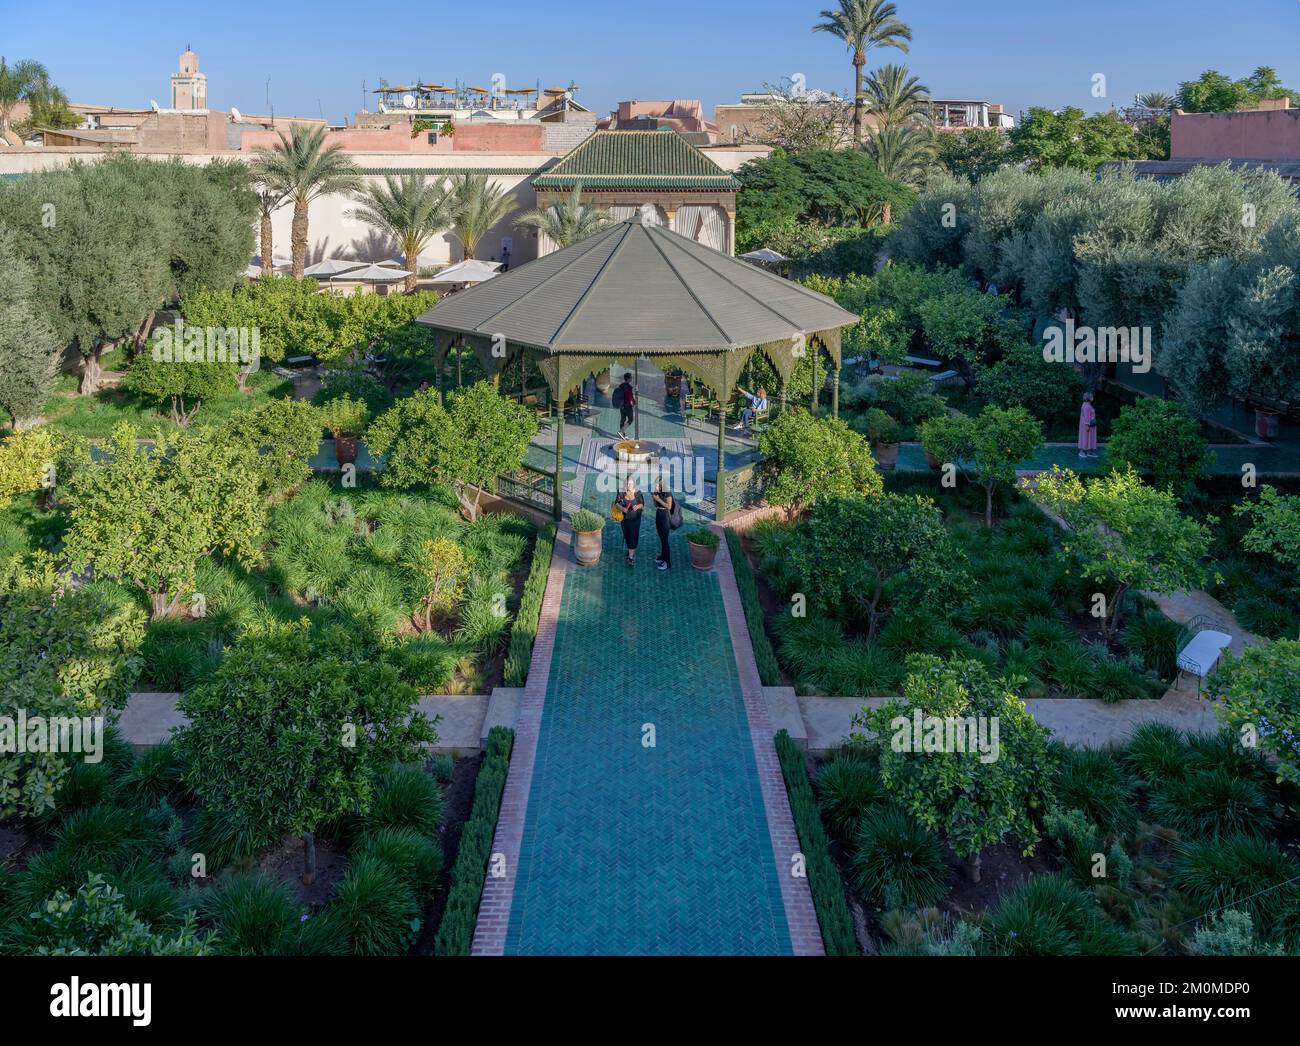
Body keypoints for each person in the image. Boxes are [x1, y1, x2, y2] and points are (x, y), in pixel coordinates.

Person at [615, 476, 644, 567]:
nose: (629, 485)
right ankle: (630, 551)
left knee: (633, 537)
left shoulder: (638, 493)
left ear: (633, 484)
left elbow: (642, 504)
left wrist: (638, 506)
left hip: (635, 520)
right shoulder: (621, 493)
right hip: (624, 520)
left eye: (630, 483)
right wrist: (622, 508)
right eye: (627, 483)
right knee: (627, 536)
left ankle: (631, 558)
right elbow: (616, 502)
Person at [651, 478, 675, 571]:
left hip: (665, 516)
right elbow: (656, 505)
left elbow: (669, 506)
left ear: (662, 485)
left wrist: (658, 499)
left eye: (657, 485)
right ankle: (662, 556)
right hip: (659, 514)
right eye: (655, 485)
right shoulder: (658, 492)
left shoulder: (667, 493)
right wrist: (654, 499)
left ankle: (667, 563)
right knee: (661, 537)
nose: (656, 487)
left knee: (665, 540)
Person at [614, 372, 636, 437]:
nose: (632, 378)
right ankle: (621, 431)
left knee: (623, 419)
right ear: (628, 379)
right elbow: (630, 397)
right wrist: (634, 403)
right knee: (631, 419)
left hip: (622, 406)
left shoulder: (621, 385)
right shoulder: (629, 387)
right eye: (631, 377)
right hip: (627, 406)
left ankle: (622, 435)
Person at [1078, 391, 1098, 459]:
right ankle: (1082, 451)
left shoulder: (1087, 405)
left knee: (1089, 438)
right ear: (1089, 398)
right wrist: (1087, 425)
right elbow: (1086, 417)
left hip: (1091, 425)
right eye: (1092, 397)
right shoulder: (1086, 406)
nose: (1093, 398)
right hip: (1088, 425)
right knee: (1085, 437)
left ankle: (1089, 452)